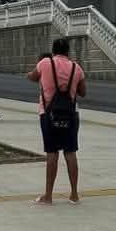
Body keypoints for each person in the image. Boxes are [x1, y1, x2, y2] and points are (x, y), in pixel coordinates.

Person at [27, 37, 86, 205]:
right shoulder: (76, 67)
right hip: (71, 115)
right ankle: (74, 194)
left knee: (52, 153)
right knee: (70, 152)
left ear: (53, 51)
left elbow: (32, 77)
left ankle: (48, 195)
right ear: (68, 51)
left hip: (48, 114)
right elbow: (83, 92)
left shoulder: (45, 63)